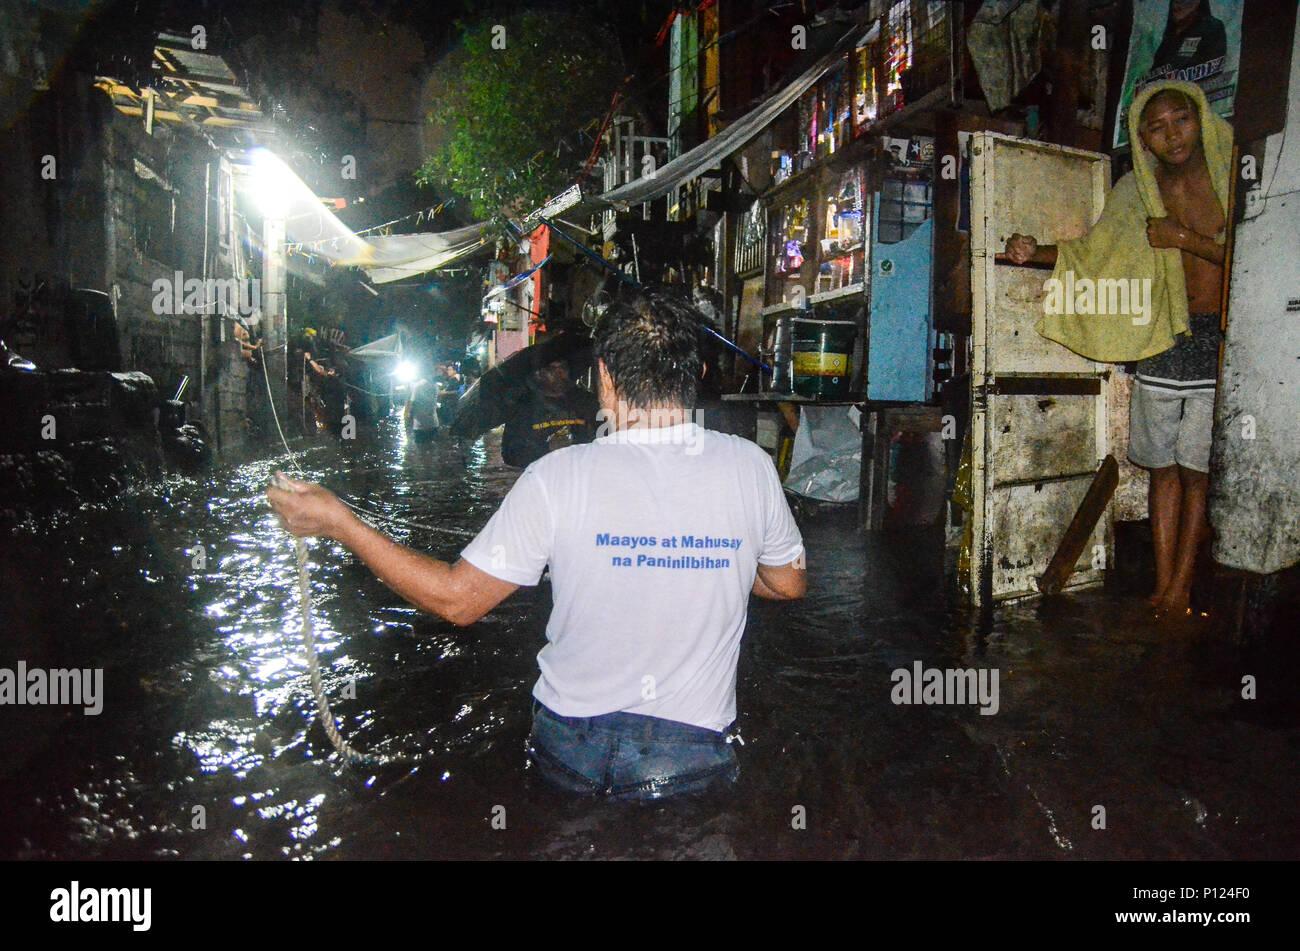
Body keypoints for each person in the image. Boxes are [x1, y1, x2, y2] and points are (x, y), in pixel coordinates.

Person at [267, 288, 807, 800]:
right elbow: (788, 583)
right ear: (699, 375)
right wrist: (708, 561)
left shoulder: (556, 475)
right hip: (688, 753)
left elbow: (458, 601)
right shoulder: (751, 467)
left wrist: (341, 523)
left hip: (569, 745)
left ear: (604, 378)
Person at [1006, 81, 1230, 618]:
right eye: (1157, 127)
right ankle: (1162, 583)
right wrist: (1036, 252)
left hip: (1220, 338)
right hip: (1161, 336)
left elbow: (1254, 249)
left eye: (1181, 119)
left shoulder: (1233, 173)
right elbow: (1096, 254)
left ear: (1200, 119)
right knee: (1163, 468)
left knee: (1198, 469)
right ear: (1142, 137)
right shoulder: (1138, 189)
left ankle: (1182, 586)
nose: (1172, 134)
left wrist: (1184, 239)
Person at [500, 355, 600, 468]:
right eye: (552, 369)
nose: (559, 373)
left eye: (562, 367)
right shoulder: (524, 406)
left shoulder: (586, 401)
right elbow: (510, 454)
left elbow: (603, 439)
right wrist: (547, 451)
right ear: (540, 373)